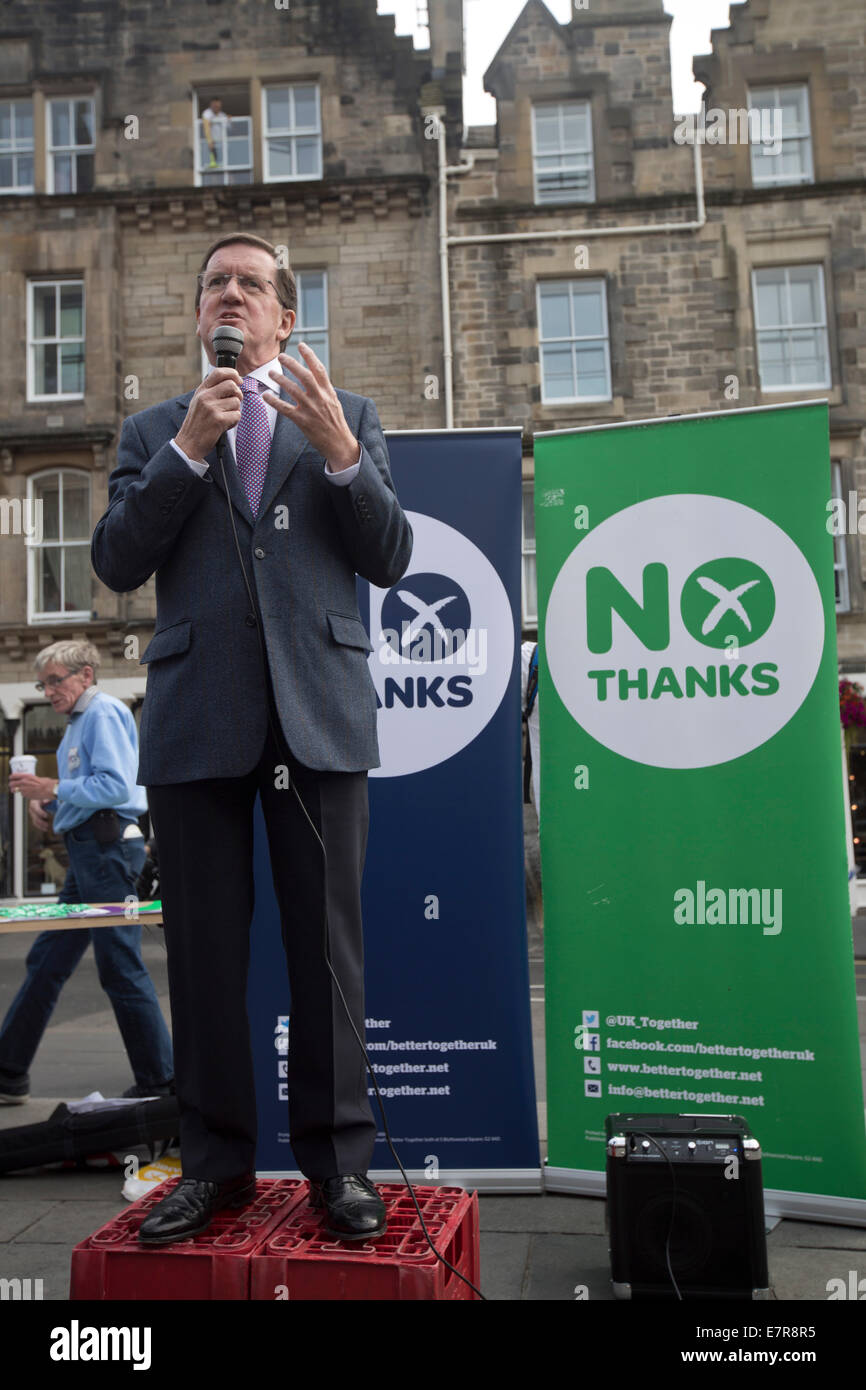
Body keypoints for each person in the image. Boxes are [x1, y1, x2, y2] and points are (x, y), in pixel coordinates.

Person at [91, 232, 413, 1245]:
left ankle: (338, 1171)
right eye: (214, 285)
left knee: (328, 962)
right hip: (197, 727)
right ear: (199, 316)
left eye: (250, 285)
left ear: (284, 315)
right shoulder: (154, 428)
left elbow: (393, 556)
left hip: (317, 717)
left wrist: (343, 457)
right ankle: (218, 1168)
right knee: (202, 959)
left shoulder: (344, 416)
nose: (229, 296)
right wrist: (186, 453)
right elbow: (114, 560)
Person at [0, 640, 174, 1105]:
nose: (49, 690)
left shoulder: (101, 713)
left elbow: (118, 785)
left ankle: (161, 1081)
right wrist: (53, 804)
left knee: (118, 963)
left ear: (86, 676)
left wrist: (51, 786)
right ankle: (8, 1071)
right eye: (44, 683)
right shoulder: (81, 720)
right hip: (90, 852)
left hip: (107, 852)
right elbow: (93, 789)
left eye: (56, 680)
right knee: (48, 960)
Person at [200, 97, 228, 169]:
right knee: (212, 163)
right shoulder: (207, 113)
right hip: (209, 142)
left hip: (221, 142)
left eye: (218, 106)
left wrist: (229, 120)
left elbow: (229, 128)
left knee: (222, 162)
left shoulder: (223, 115)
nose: (216, 108)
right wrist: (209, 140)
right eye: (215, 106)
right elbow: (206, 126)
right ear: (211, 105)